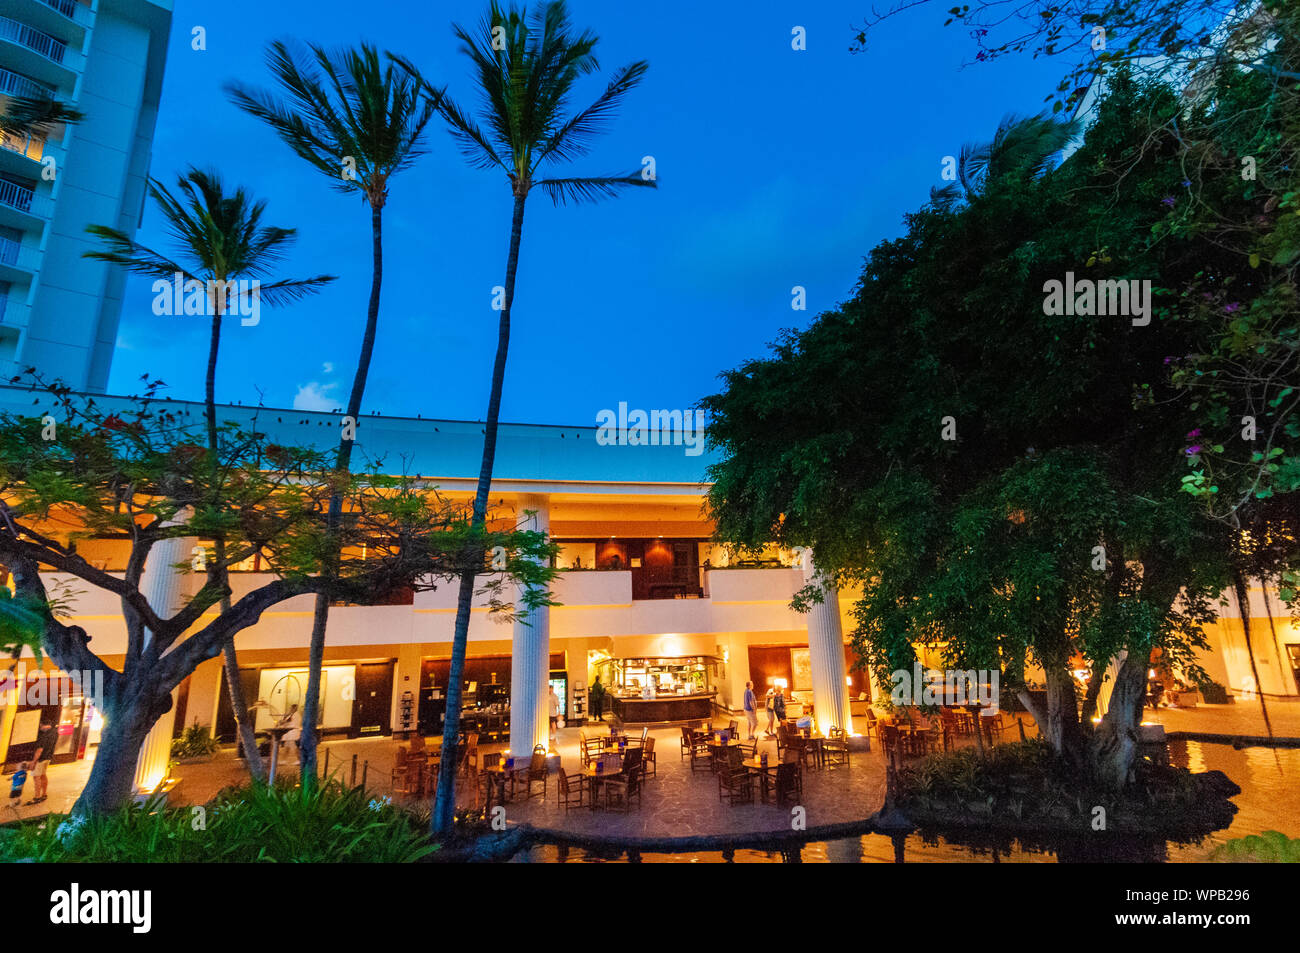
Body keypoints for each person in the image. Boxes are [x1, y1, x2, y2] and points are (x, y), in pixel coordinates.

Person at [27, 716, 58, 805]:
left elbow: (39, 750)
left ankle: (37, 797)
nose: (40, 728)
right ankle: (44, 794)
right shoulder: (54, 732)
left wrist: (33, 762)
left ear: (42, 725)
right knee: (43, 775)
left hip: (40, 759)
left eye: (40, 726)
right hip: (48, 758)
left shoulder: (43, 735)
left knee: (36, 777)